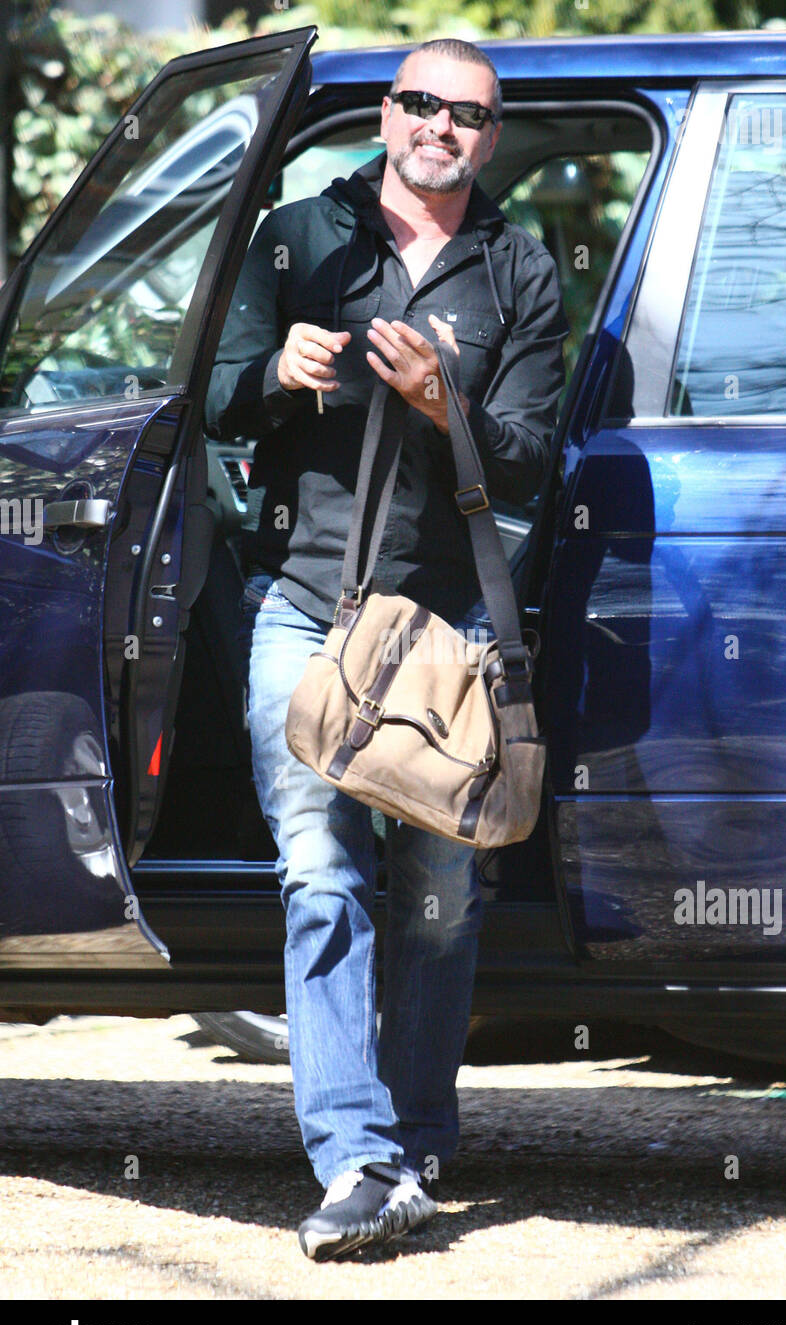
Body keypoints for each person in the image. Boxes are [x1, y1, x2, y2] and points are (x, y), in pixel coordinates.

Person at [205, 36, 568, 1261]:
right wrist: (278, 373)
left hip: (447, 629)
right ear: (386, 111)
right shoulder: (303, 237)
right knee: (320, 875)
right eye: (421, 104)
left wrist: (441, 404)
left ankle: (412, 1142)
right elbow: (208, 396)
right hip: (308, 611)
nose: (440, 128)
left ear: (489, 133)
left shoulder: (517, 269)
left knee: (439, 899)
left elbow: (532, 455)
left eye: (466, 113)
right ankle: (354, 1160)